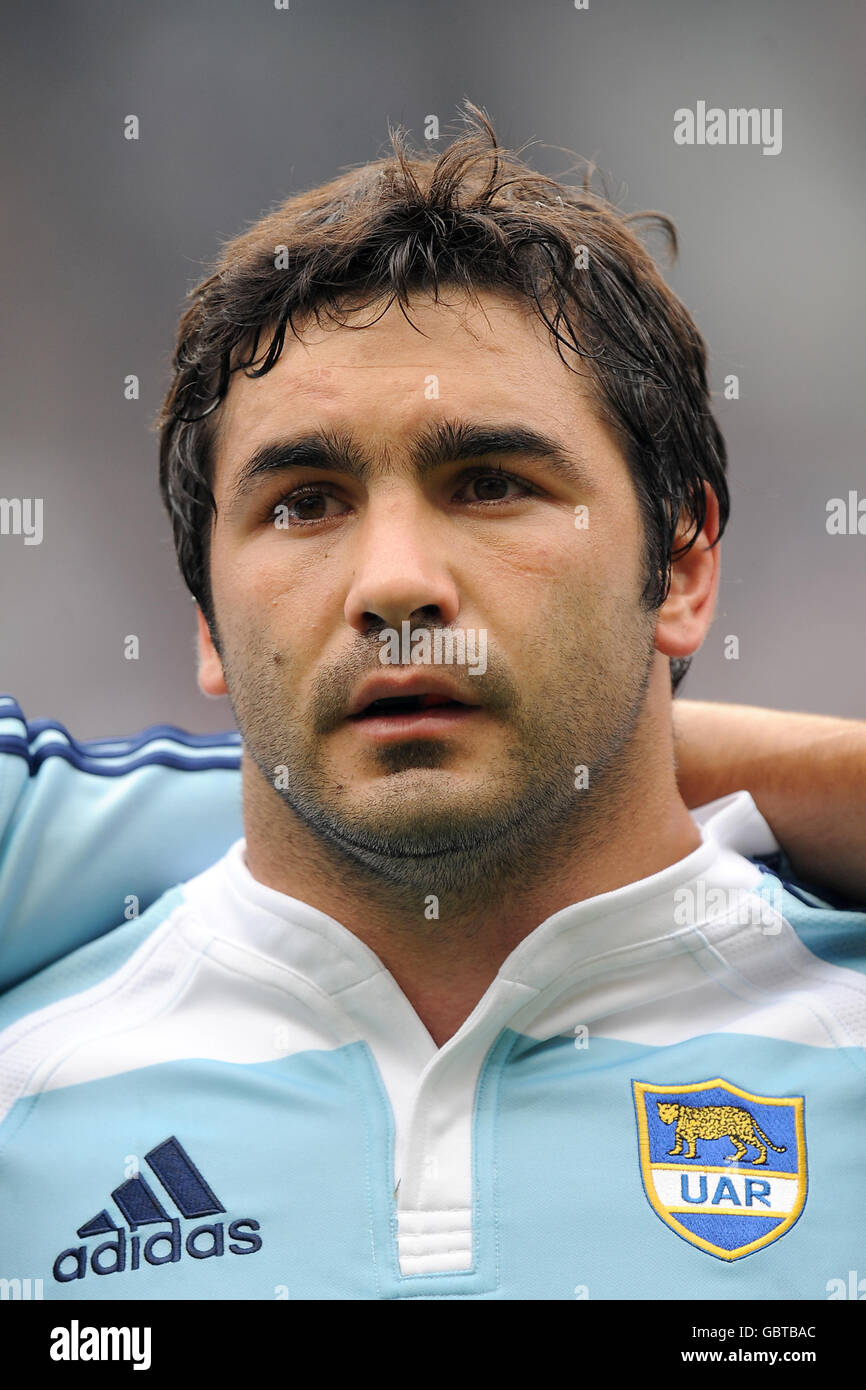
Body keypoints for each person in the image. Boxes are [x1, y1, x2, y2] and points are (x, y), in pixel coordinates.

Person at [1, 105, 863, 1300]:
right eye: (303, 501)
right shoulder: (24, 1099)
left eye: (490, 482)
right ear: (203, 614)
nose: (396, 581)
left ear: (679, 569)